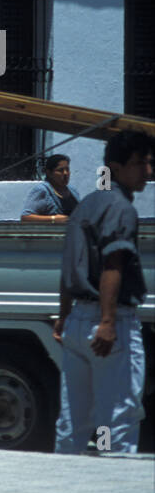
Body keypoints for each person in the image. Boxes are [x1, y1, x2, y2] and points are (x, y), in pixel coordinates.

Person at [53, 130, 153, 454]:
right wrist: (108, 321)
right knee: (118, 423)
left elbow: (69, 268)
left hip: (78, 324)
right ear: (116, 166)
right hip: (111, 326)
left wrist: (65, 316)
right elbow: (114, 265)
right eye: (140, 164)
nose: (148, 172)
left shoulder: (84, 206)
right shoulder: (121, 208)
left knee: (73, 424)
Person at [22, 154, 80, 224]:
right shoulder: (42, 191)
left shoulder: (73, 191)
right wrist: (53, 219)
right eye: (60, 170)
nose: (65, 173)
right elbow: (26, 217)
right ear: (49, 173)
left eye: (67, 169)